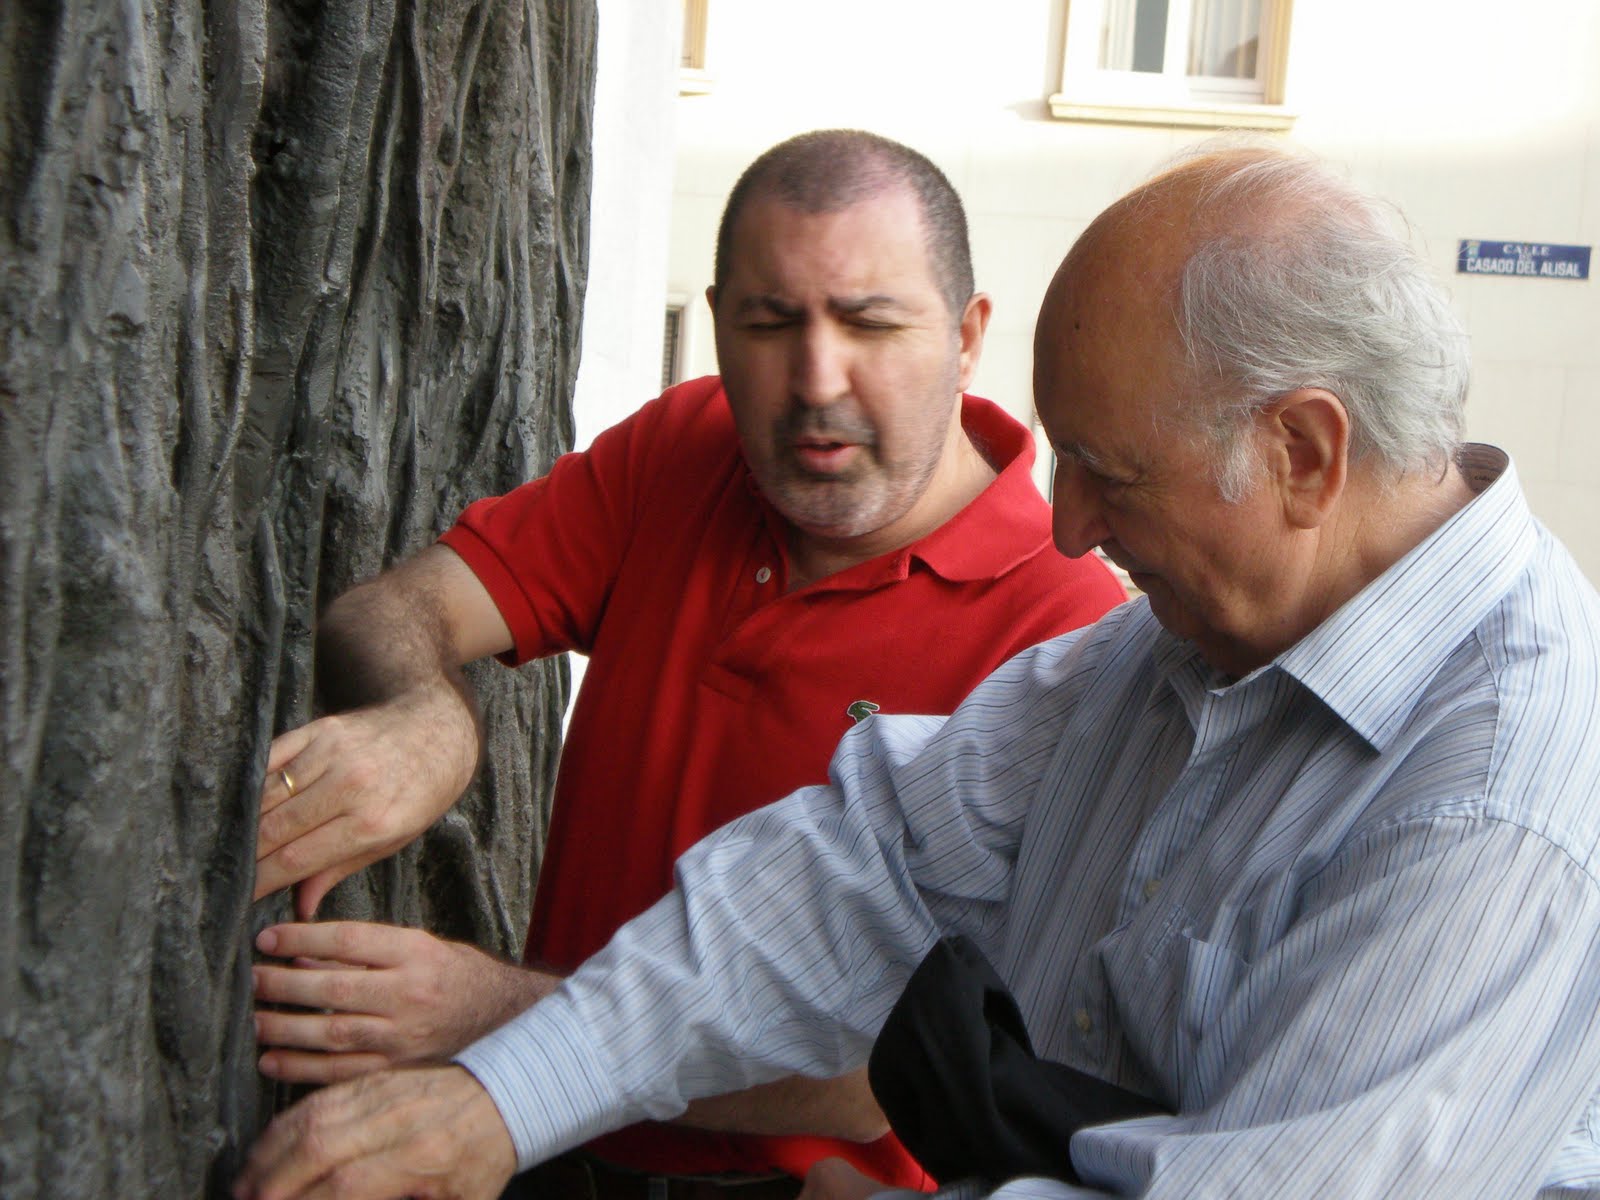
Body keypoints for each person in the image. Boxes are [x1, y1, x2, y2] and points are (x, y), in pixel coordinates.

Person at [237, 145, 1600, 1200]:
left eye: (1111, 476)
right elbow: (860, 859)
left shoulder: (1494, 802)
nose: (1068, 528)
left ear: (1305, 455)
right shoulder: (1184, 651)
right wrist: (508, 1098)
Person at [246, 128, 1126, 1195]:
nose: (815, 379)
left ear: (967, 333)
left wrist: (495, 1017)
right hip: (526, 1153)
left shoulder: (1063, 630)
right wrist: (424, 715)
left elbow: (892, 1066)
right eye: (769, 323)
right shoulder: (686, 447)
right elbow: (396, 611)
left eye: (870, 323)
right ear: (713, 324)